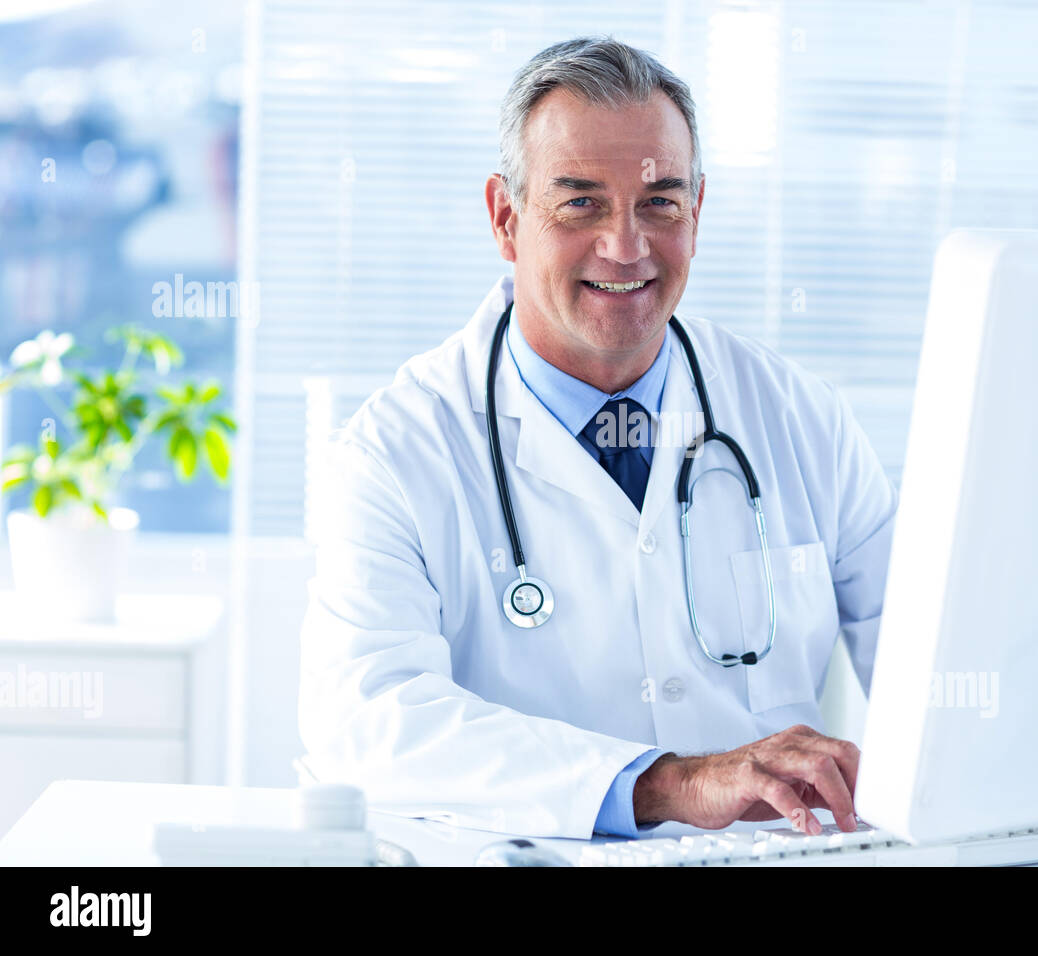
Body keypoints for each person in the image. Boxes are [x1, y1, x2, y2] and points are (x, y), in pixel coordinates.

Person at [298, 35, 898, 840]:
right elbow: (368, 723)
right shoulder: (395, 454)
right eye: (580, 202)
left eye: (661, 202)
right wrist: (664, 783)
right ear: (506, 218)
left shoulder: (801, 419)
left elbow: (936, 664)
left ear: (698, 209)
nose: (626, 246)